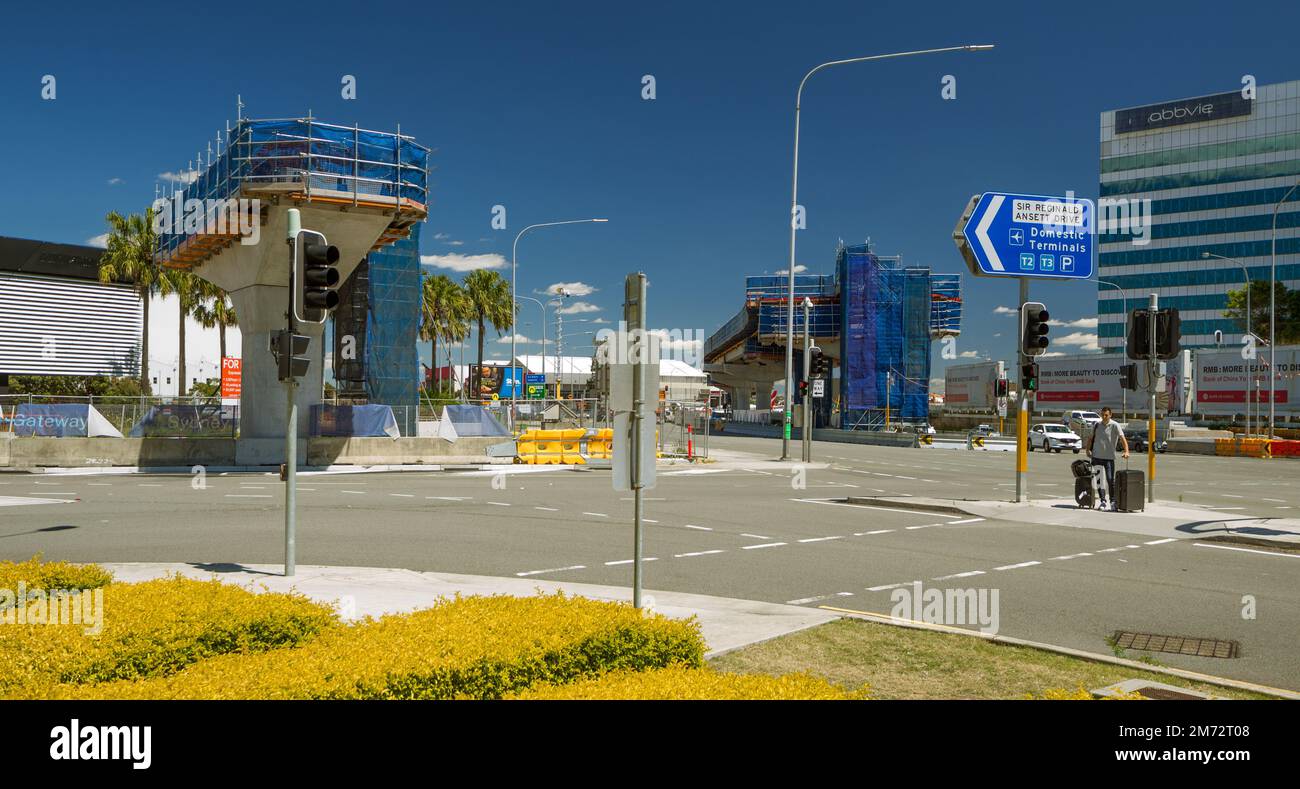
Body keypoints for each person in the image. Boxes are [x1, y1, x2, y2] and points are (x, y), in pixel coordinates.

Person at [1086, 406, 1129, 510]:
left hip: (1109, 458)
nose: (1104, 417)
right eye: (1102, 415)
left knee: (1110, 480)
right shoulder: (1097, 425)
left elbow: (1122, 439)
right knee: (1099, 480)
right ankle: (1103, 501)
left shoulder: (1115, 425)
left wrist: (1126, 451)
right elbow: (1090, 439)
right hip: (1096, 457)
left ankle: (1113, 502)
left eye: (1106, 415)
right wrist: (1087, 450)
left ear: (1110, 415)